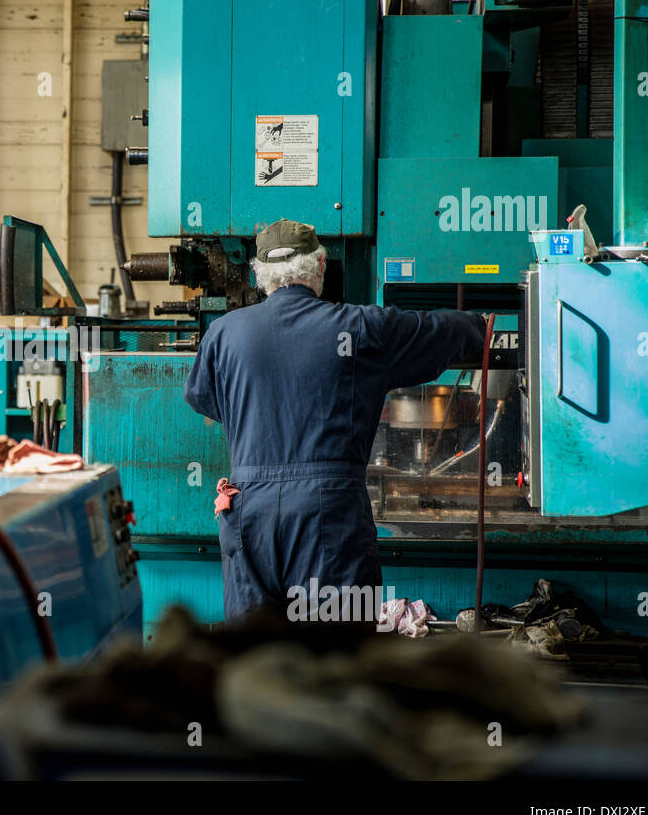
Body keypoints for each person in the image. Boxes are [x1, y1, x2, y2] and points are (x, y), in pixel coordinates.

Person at [183, 219, 486, 624]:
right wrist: (480, 325)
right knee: (337, 659)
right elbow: (438, 331)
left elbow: (203, 397)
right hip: (327, 518)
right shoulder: (360, 328)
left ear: (258, 273)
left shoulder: (222, 333)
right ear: (321, 264)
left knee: (251, 656)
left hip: (247, 514)